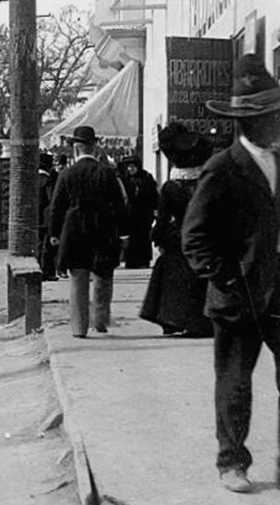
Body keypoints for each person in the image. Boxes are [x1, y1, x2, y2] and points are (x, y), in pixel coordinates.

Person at [181, 55, 280, 493]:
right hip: (239, 299)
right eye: (269, 116)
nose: (276, 122)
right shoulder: (223, 167)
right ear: (247, 122)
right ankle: (231, 463)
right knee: (235, 386)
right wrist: (228, 278)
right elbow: (195, 238)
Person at [48, 125, 130, 338]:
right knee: (103, 275)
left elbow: (56, 206)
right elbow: (119, 205)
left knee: (78, 279)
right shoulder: (107, 173)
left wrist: (54, 233)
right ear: (95, 148)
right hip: (103, 229)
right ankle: (100, 320)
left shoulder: (66, 174)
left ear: (75, 149)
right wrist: (124, 232)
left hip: (74, 230)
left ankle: (79, 327)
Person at [139, 123, 213, 338]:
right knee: (202, 278)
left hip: (179, 237)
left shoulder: (171, 187)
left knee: (171, 273)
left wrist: (158, 237)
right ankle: (201, 321)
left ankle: (172, 319)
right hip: (206, 236)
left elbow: (162, 219)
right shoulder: (207, 182)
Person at [119, 156, 158, 269]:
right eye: (129, 167)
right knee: (131, 239)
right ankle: (131, 261)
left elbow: (154, 196)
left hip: (144, 214)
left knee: (143, 237)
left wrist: (154, 210)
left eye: (133, 166)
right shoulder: (124, 179)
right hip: (129, 214)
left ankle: (143, 260)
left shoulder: (146, 178)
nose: (130, 169)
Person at [38, 153, 60, 281]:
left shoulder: (49, 181)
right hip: (44, 218)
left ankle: (47, 271)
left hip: (44, 218)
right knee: (45, 246)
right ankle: (46, 271)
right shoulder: (46, 179)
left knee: (45, 246)